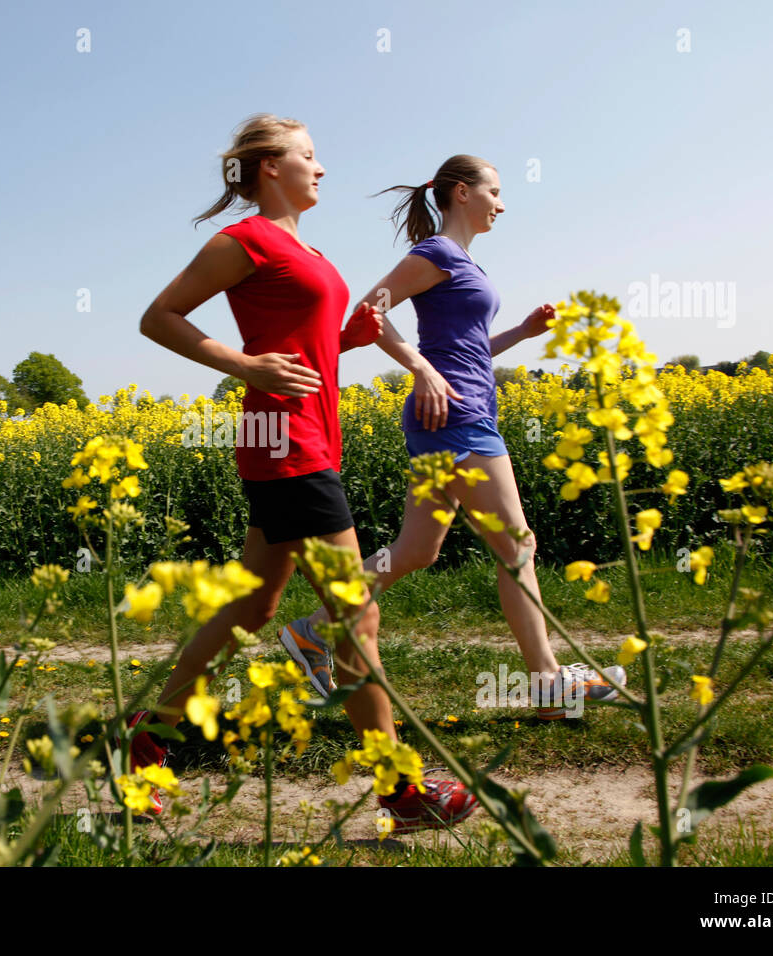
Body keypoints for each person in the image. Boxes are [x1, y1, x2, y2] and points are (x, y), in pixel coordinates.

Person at [134, 115, 476, 831]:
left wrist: (353, 334)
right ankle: (400, 790)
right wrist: (244, 364)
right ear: (269, 169)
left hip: (306, 441)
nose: (321, 169)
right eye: (309, 157)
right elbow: (159, 317)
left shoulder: (305, 248)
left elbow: (310, 345)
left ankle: (145, 738)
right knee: (356, 614)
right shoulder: (247, 240)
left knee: (255, 608)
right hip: (285, 445)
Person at [278, 153, 626, 719]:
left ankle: (314, 631)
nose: (502, 203)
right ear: (462, 193)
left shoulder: (462, 261)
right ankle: (547, 684)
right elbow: (369, 309)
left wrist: (521, 331)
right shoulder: (436, 252)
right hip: (455, 417)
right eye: (495, 191)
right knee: (518, 546)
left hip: (454, 412)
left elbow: (465, 353)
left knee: (417, 550)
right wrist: (419, 369)